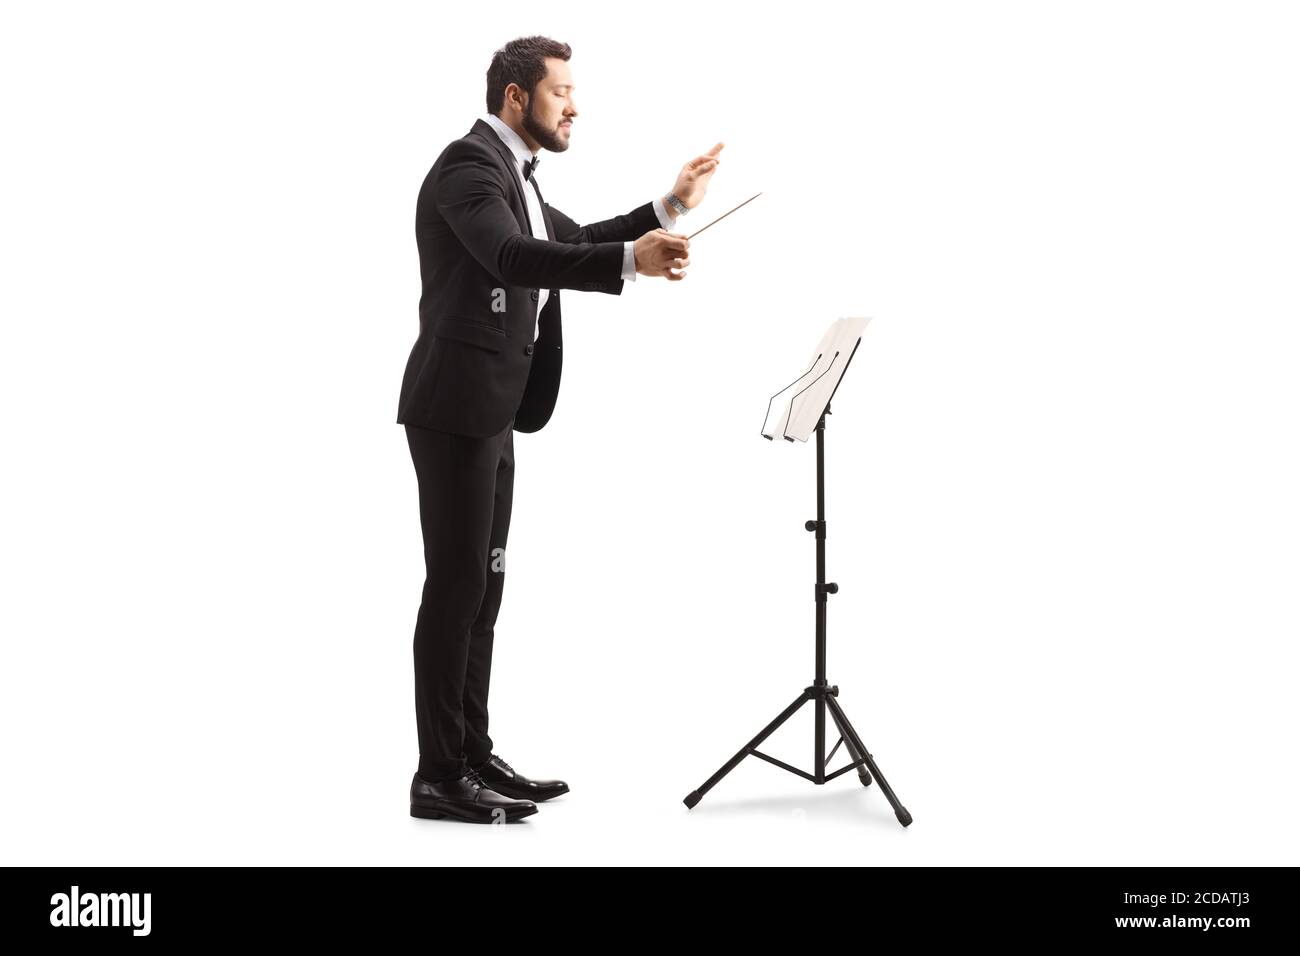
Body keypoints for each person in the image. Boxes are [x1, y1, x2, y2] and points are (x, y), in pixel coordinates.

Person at [396, 34, 722, 823]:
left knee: (486, 588)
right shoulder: (468, 168)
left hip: (495, 410)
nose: (574, 105)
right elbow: (512, 257)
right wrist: (630, 264)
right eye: (560, 92)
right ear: (516, 98)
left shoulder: (516, 175)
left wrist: (669, 206)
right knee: (456, 587)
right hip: (453, 410)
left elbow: (566, 240)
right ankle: (436, 776)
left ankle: (471, 753)